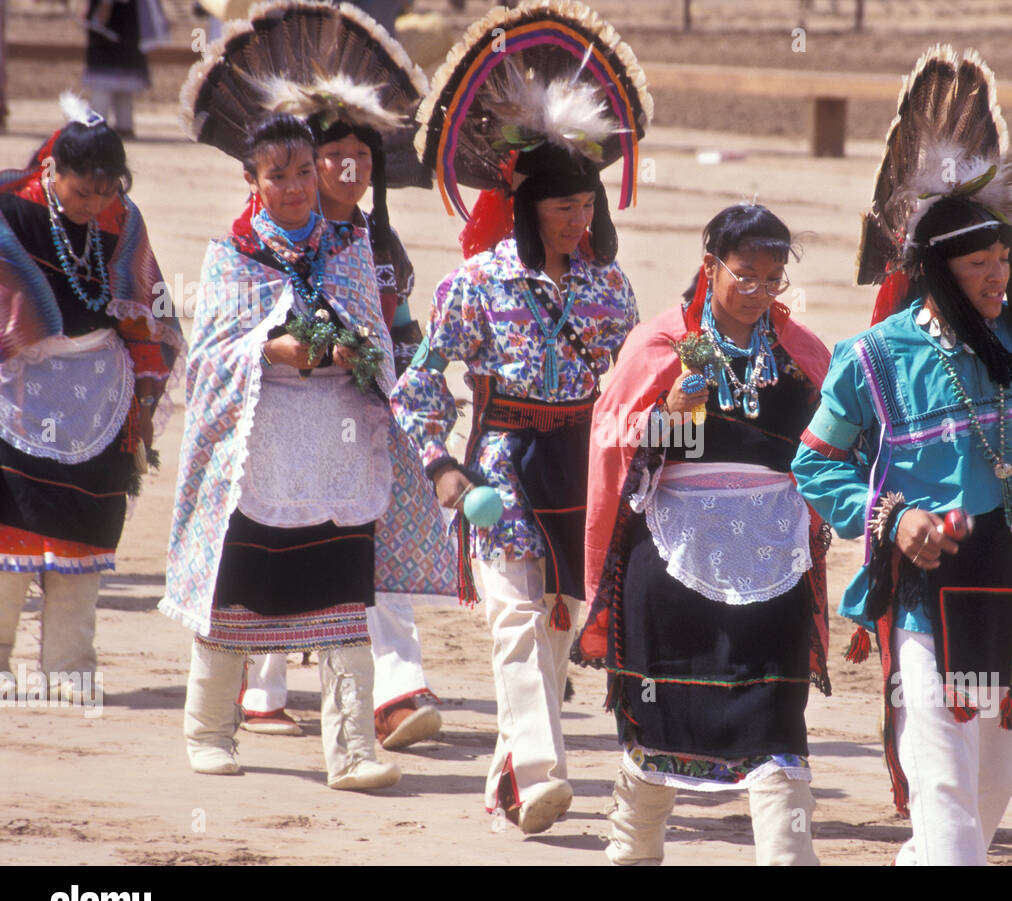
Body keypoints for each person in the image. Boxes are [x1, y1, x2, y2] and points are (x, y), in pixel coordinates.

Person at [791, 46, 1012, 865]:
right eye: (979, 265)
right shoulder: (873, 358)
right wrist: (892, 516)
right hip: (927, 586)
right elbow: (815, 464)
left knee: (993, 782)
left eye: (1004, 260)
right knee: (946, 784)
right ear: (940, 274)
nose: (998, 277)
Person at [396, 0, 652, 834]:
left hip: (584, 464)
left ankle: (510, 770)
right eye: (564, 207)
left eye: (589, 206)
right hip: (501, 462)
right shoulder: (472, 286)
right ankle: (543, 774)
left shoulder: (610, 288)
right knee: (513, 619)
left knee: (556, 628)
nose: (581, 220)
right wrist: (441, 464)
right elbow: (419, 387)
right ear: (528, 203)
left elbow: (637, 383)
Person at [162, 113, 453, 789]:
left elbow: (379, 338)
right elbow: (207, 360)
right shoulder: (231, 255)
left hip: (338, 449)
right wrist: (270, 347)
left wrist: (356, 351)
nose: (293, 188)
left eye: (301, 172)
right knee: (237, 591)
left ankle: (350, 749)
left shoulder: (350, 248)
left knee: (345, 596)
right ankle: (208, 730)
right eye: (277, 175)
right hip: (260, 452)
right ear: (251, 179)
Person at [577, 204, 831, 865]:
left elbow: (831, 448)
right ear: (710, 266)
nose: (758, 291)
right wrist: (675, 414)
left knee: (777, 716)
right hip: (672, 562)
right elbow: (622, 454)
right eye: (744, 274)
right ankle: (632, 850)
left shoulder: (799, 354)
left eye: (772, 278)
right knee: (659, 720)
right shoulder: (672, 344)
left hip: (774, 564)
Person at [225, 2, 443, 750]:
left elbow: (404, 323)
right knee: (282, 536)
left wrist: (409, 372)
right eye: (332, 158)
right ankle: (262, 684)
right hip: (285, 419)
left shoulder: (379, 244)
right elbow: (244, 329)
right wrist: (300, 350)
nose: (349, 169)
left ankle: (400, 689)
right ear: (298, 167)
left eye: (362, 156)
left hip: (369, 414)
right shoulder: (270, 244)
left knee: (361, 537)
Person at [0, 95, 183, 703]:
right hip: (16, 395)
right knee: (8, 531)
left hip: (100, 400)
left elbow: (149, 308)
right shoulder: (7, 213)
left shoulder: (123, 222)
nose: (95, 204)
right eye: (84, 192)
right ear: (53, 171)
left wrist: (149, 387)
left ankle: (69, 667)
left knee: (84, 530)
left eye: (108, 191)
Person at [80, 0, 170, 138]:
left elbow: (103, 11)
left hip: (112, 37)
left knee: (103, 89)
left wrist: (101, 13)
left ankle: (97, 130)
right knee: (121, 91)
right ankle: (123, 126)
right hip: (123, 34)